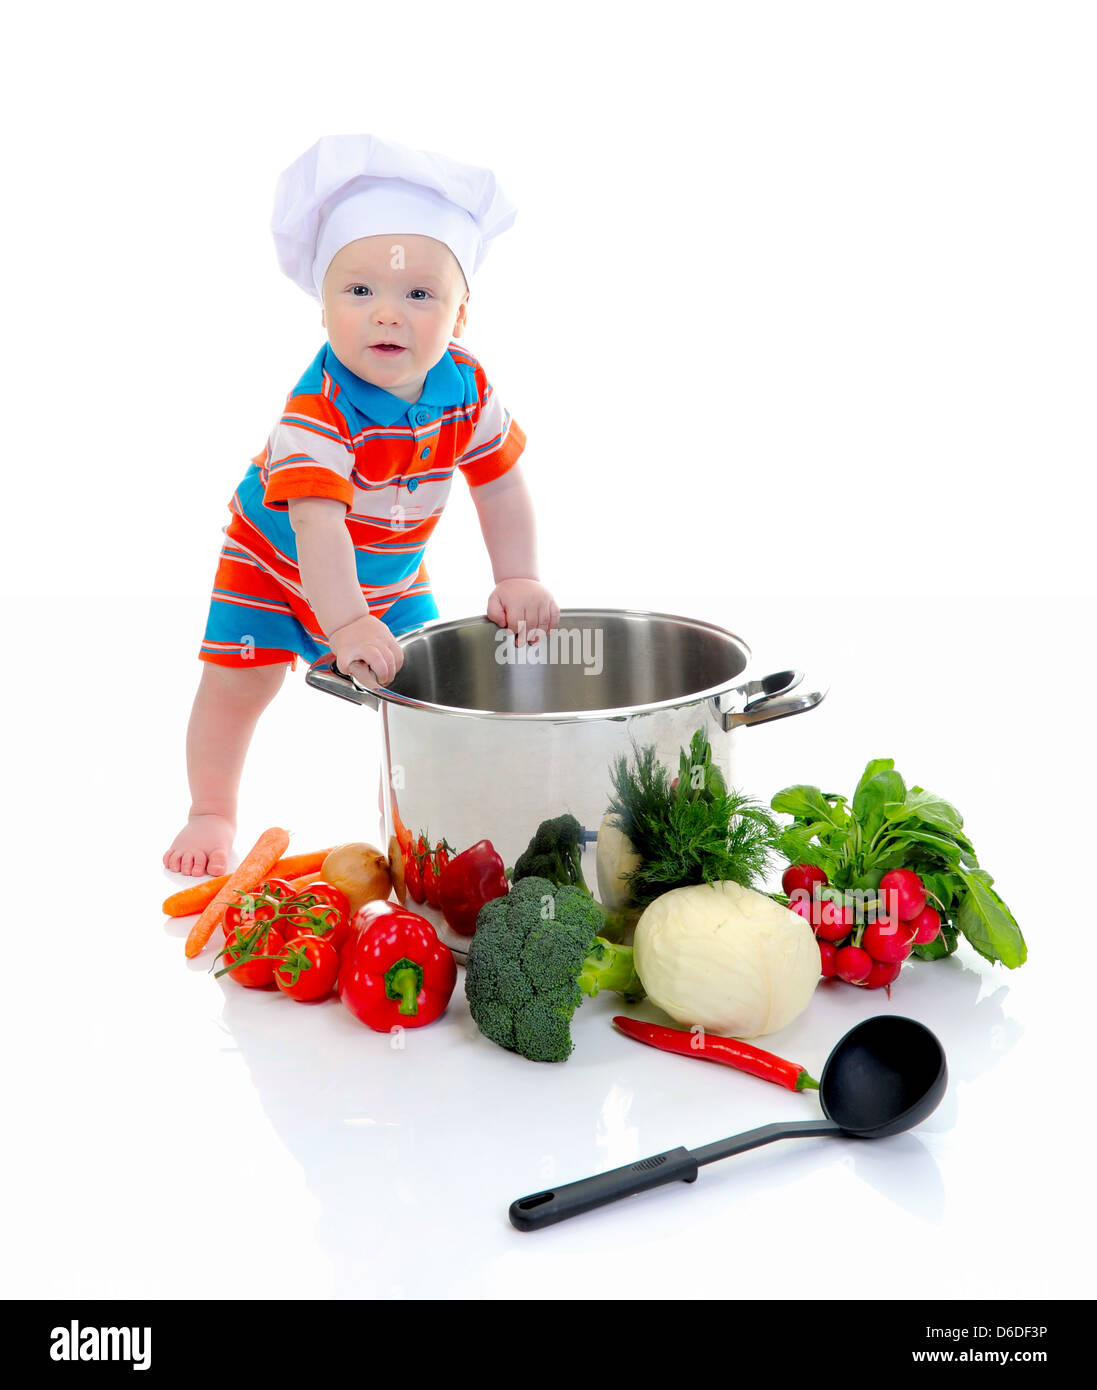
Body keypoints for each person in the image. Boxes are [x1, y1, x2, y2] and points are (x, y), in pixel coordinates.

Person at [164, 133, 559, 877]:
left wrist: (517, 576)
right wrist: (343, 624)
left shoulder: (468, 390)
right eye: (359, 292)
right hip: (274, 565)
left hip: (389, 573)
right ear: (322, 310)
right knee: (236, 683)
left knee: (424, 701)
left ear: (460, 316)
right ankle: (210, 808)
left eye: (418, 295)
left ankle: (416, 827)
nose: (387, 314)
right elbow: (317, 528)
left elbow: (500, 484)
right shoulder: (316, 414)